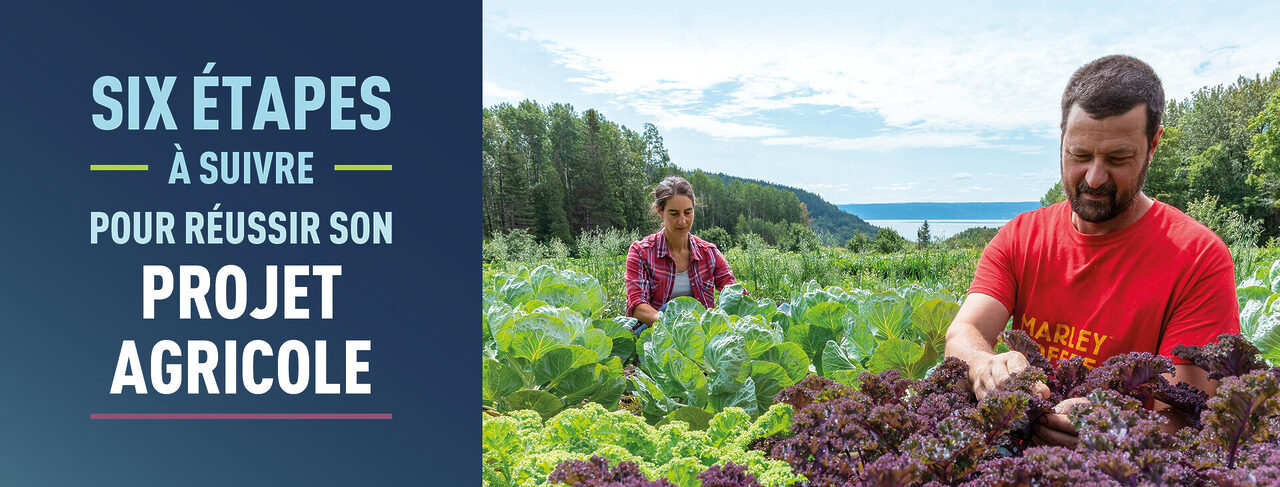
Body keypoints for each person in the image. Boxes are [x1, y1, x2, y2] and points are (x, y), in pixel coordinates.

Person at [944, 55, 1240, 447]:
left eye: (1118, 159)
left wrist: (1117, 429)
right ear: (1061, 139)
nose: (1095, 178)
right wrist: (983, 364)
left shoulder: (1197, 257)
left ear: (1153, 145)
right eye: (1080, 155)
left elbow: (1188, 411)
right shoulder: (1020, 236)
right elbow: (966, 331)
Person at [625, 176, 739, 334]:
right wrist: (677, 326)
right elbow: (637, 306)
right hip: (654, 332)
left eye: (688, 212)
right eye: (674, 213)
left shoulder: (709, 253)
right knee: (670, 309)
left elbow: (735, 294)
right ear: (660, 211)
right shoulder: (641, 252)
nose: (683, 221)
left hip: (698, 334)